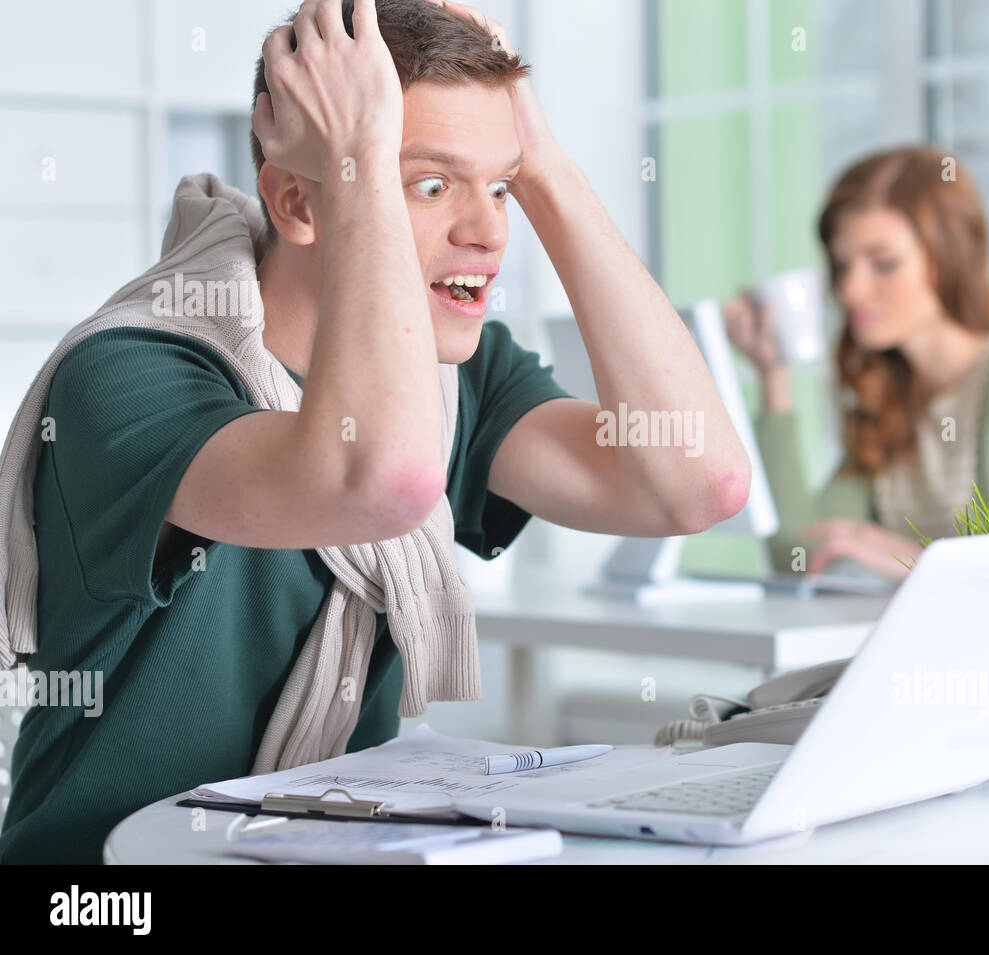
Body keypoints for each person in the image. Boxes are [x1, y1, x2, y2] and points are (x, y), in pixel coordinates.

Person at [0, 0, 750, 864]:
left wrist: (544, 163)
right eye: (431, 185)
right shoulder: (131, 375)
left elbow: (698, 482)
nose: (489, 230)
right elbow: (378, 478)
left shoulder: (453, 373)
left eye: (499, 188)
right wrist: (355, 159)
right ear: (299, 201)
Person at [724, 146, 989, 581]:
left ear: (947, 258)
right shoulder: (885, 395)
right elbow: (797, 552)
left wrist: (922, 565)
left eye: (883, 263)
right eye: (843, 266)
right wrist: (773, 373)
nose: (850, 291)